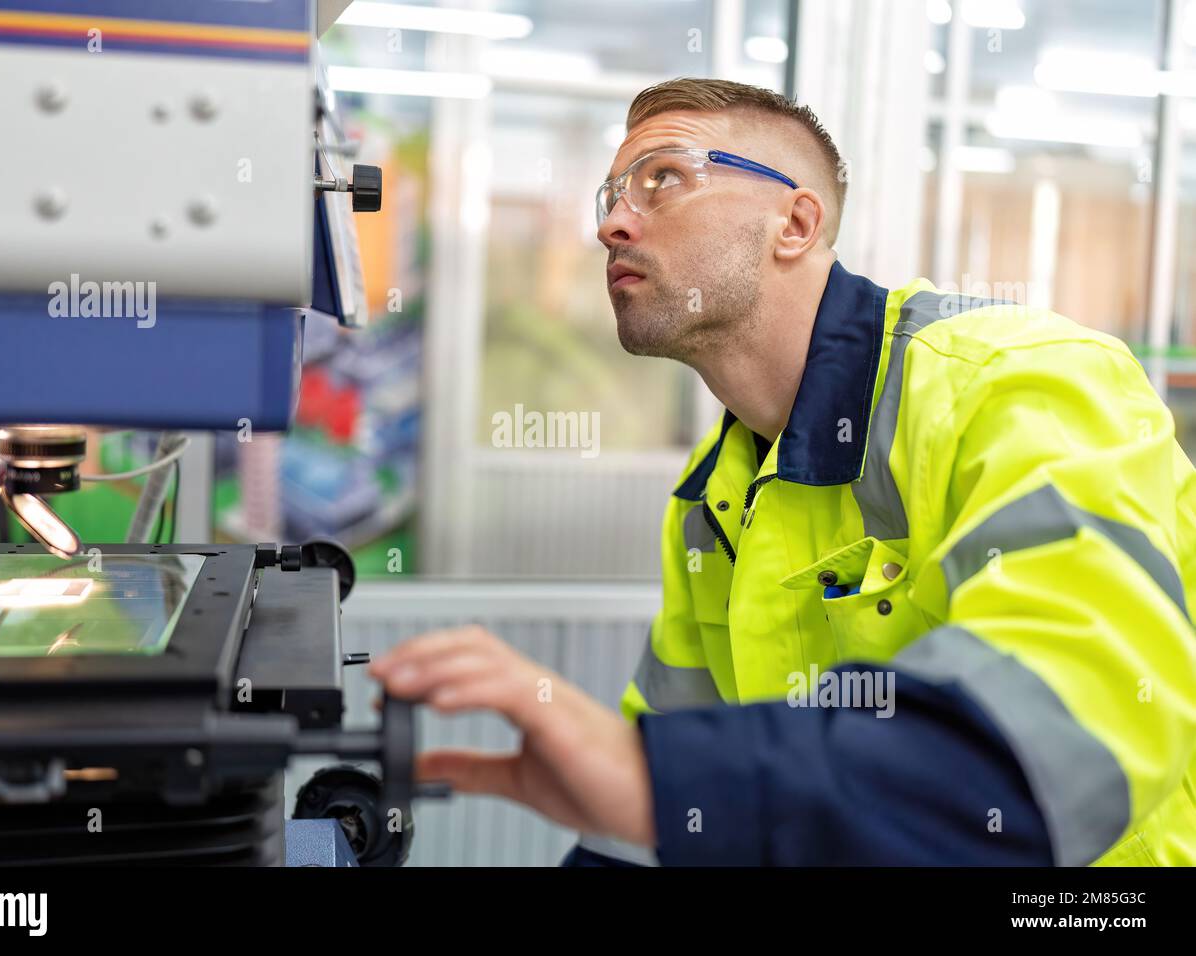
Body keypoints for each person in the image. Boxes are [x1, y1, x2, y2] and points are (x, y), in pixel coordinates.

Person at [370, 78, 1196, 866]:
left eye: (661, 180)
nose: (613, 224)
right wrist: (635, 794)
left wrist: (653, 784)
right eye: (611, 196)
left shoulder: (1021, 382)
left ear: (795, 224)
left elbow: (1071, 729)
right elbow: (661, 815)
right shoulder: (713, 495)